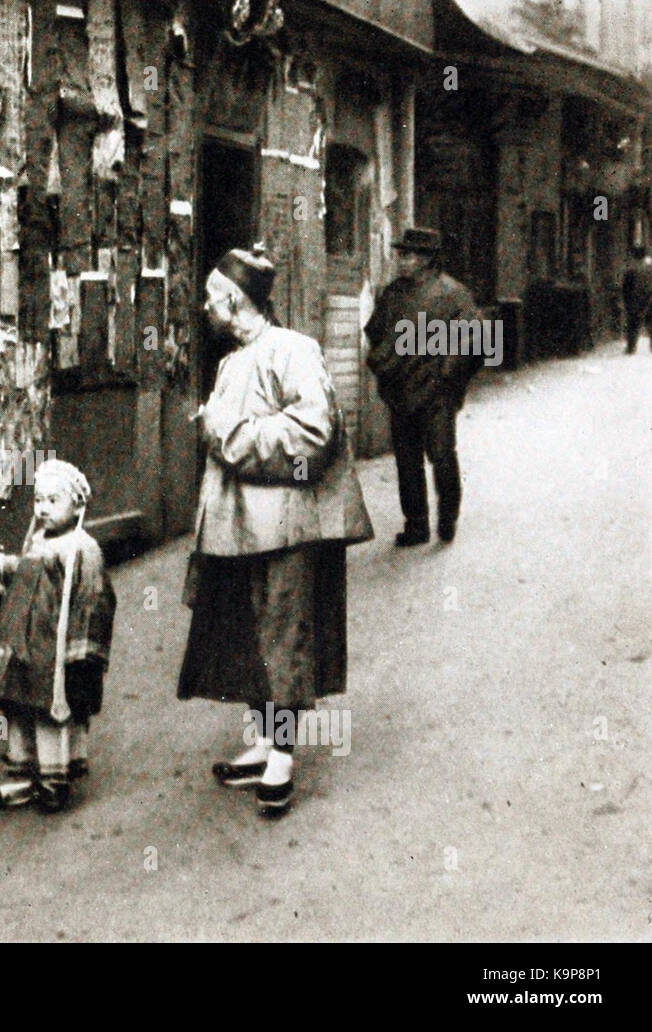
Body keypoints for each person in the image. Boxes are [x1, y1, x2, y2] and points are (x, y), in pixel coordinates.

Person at [177, 247, 373, 814]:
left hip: (285, 528)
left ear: (235, 301)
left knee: (284, 633)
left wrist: (227, 435)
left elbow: (314, 436)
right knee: (250, 632)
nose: (204, 307)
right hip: (239, 528)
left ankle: (283, 756)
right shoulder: (233, 359)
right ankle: (264, 743)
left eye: (212, 298)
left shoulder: (294, 350)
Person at [0, 459, 116, 813]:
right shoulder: (37, 539)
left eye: (54, 500)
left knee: (49, 712)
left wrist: (80, 650)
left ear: (77, 505)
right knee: (19, 705)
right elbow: (25, 576)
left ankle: (54, 776)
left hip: (53, 649)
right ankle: (24, 771)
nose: (42, 508)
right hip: (23, 645)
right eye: (39, 499)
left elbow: (95, 600)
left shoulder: (82, 549)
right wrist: (2, 565)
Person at [365, 227, 483, 546]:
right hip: (401, 392)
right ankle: (416, 524)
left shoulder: (454, 295)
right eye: (400, 254)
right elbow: (376, 333)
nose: (401, 260)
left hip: (436, 394)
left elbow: (476, 342)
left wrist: (449, 378)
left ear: (427, 259)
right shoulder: (392, 294)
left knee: (442, 455)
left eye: (408, 255)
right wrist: (385, 366)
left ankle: (447, 518)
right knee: (407, 461)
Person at [621, 245, 652, 354]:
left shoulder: (631, 269)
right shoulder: (650, 268)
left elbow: (625, 288)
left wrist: (626, 302)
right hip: (650, 299)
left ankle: (631, 348)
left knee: (633, 324)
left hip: (635, 301)